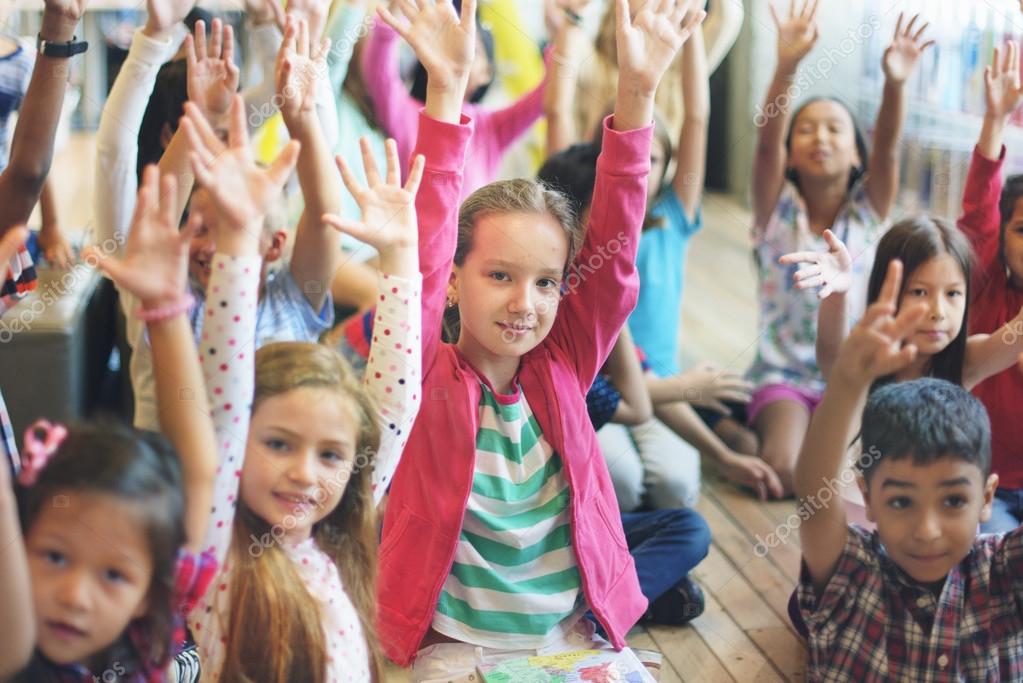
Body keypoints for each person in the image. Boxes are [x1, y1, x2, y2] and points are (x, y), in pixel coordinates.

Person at [370, 0, 705, 677]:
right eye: (499, 275)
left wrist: (637, 96)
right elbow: (428, 244)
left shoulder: (563, 364)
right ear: (455, 283)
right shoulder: (424, 372)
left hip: (569, 637)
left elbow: (611, 257)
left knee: (684, 523)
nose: (524, 302)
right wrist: (444, 92)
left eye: (546, 282)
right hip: (456, 650)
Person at [1, 164, 220, 682]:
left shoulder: (149, 629)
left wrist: (167, 310)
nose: (75, 597)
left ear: (151, 592)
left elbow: (199, 474)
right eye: (54, 556)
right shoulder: (15, 649)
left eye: (115, 574)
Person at [793, 259, 1022, 680]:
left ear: (987, 498)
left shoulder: (1003, 575)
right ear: (868, 498)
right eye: (901, 501)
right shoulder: (853, 571)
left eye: (954, 500)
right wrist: (847, 378)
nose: (927, 529)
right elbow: (813, 495)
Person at [746, 4, 932, 495]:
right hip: (783, 372)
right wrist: (786, 65)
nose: (820, 138)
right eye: (806, 129)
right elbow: (765, 146)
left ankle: (735, 421)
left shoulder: (869, 213)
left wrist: (895, 83)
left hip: (854, 373)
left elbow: (889, 148)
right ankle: (736, 423)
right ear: (791, 153)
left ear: (855, 154)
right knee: (787, 472)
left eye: (834, 129)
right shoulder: (774, 211)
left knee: (853, 478)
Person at [955, 40, 1023, 533]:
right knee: (994, 569)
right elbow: (980, 208)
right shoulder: (986, 287)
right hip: (987, 485)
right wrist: (994, 120)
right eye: (1022, 230)